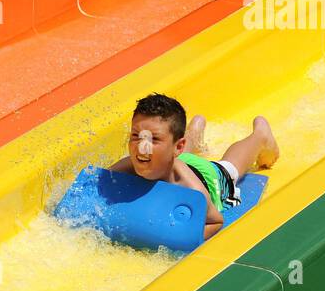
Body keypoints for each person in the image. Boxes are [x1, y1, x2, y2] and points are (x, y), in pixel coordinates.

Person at [109, 94, 279, 240]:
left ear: (178, 146)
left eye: (154, 139)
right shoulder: (135, 161)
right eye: (135, 136)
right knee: (169, 152)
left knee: (229, 167)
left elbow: (216, 221)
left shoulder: (193, 189)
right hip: (171, 159)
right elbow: (94, 184)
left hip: (208, 176)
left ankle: (260, 136)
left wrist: (177, 238)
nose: (141, 147)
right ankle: (194, 133)